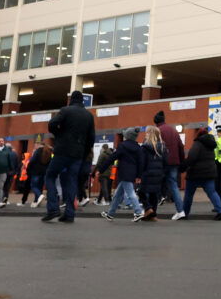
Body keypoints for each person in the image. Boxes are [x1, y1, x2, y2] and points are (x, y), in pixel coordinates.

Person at [43, 91, 95, 223]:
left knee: (50, 176)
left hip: (62, 151)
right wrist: (83, 152)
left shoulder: (65, 110)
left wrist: (59, 134)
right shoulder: (89, 116)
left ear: (71, 99)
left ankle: (53, 207)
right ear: (82, 100)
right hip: (77, 154)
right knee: (71, 181)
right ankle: (69, 213)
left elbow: (51, 125)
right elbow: (91, 138)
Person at [177, 124, 221, 220]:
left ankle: (185, 213)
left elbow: (191, 158)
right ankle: (220, 210)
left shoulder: (198, 144)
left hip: (195, 174)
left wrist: (182, 167)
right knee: (212, 192)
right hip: (209, 173)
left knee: (189, 194)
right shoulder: (211, 145)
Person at [103, 127, 145, 221]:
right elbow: (141, 162)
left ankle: (138, 212)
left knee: (131, 193)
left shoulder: (122, 145)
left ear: (127, 136)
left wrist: (101, 169)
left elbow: (113, 157)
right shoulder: (138, 147)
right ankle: (110, 214)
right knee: (117, 195)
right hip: (132, 173)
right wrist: (139, 175)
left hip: (124, 173)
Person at [154, 111, 185, 213]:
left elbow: (154, 148)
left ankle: (152, 209)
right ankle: (180, 210)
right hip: (174, 162)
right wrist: (181, 161)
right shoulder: (173, 130)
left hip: (162, 162)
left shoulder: (157, 131)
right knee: (174, 185)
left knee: (154, 182)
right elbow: (181, 147)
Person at [138, 125, 166, 220]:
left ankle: (148, 209)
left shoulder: (145, 147)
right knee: (154, 194)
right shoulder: (162, 147)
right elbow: (166, 161)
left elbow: (142, 162)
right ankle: (152, 215)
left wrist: (139, 174)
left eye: (146, 133)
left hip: (147, 173)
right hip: (158, 174)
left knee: (141, 192)